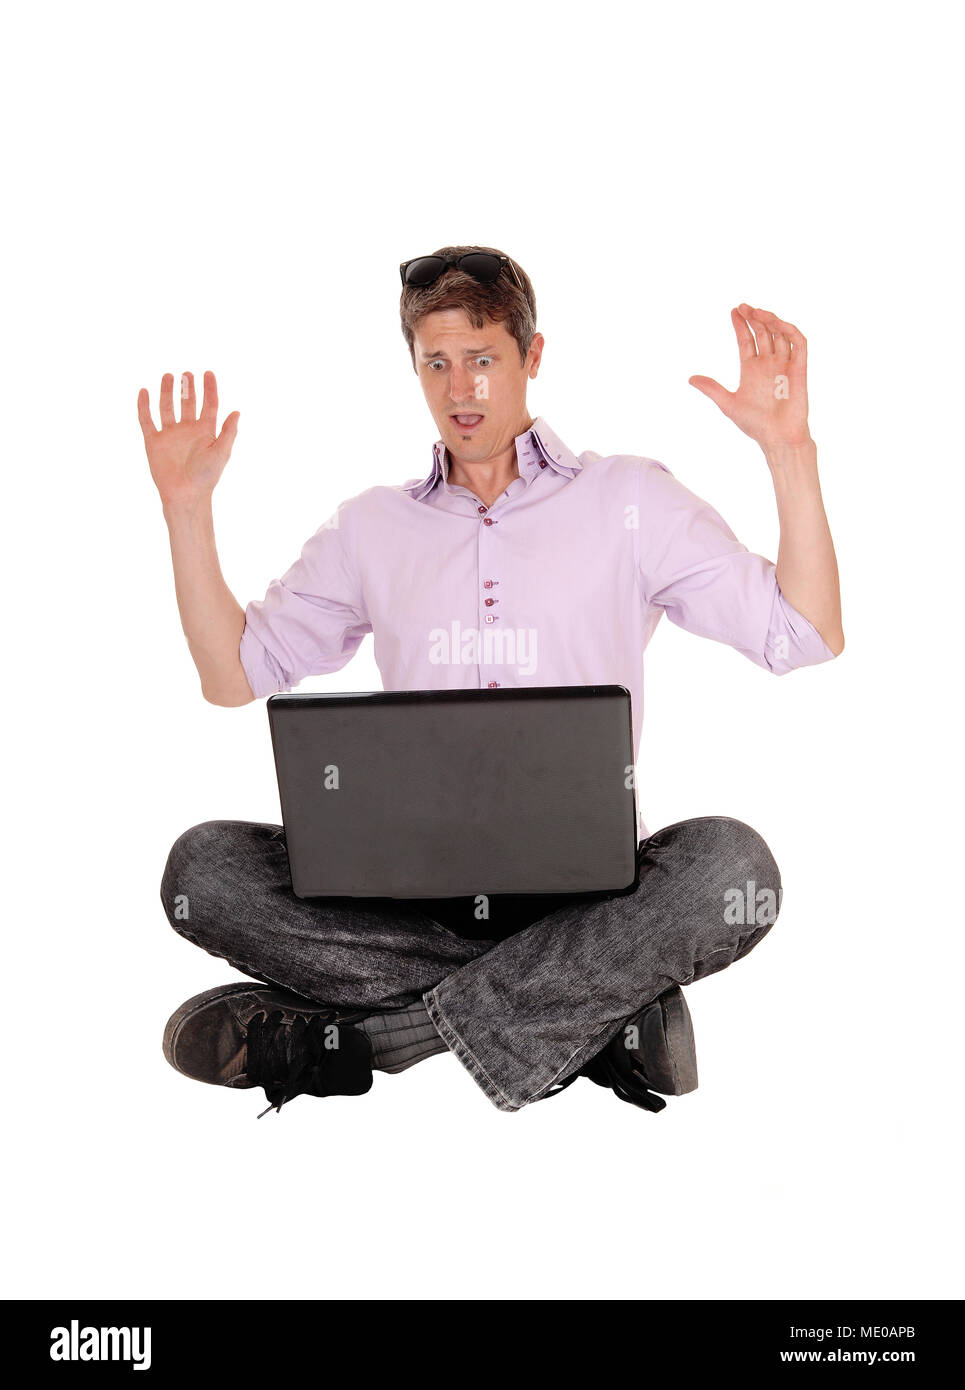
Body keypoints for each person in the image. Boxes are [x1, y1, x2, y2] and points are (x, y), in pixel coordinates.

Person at [138, 245, 843, 1118]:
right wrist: (185, 510)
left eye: (482, 358)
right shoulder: (370, 529)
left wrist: (789, 448)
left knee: (731, 866)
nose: (459, 387)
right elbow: (231, 673)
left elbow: (801, 633)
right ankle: (591, 1015)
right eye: (436, 362)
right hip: (413, 901)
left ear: (530, 357)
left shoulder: (629, 501)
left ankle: (378, 1038)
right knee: (204, 870)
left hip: (591, 892)